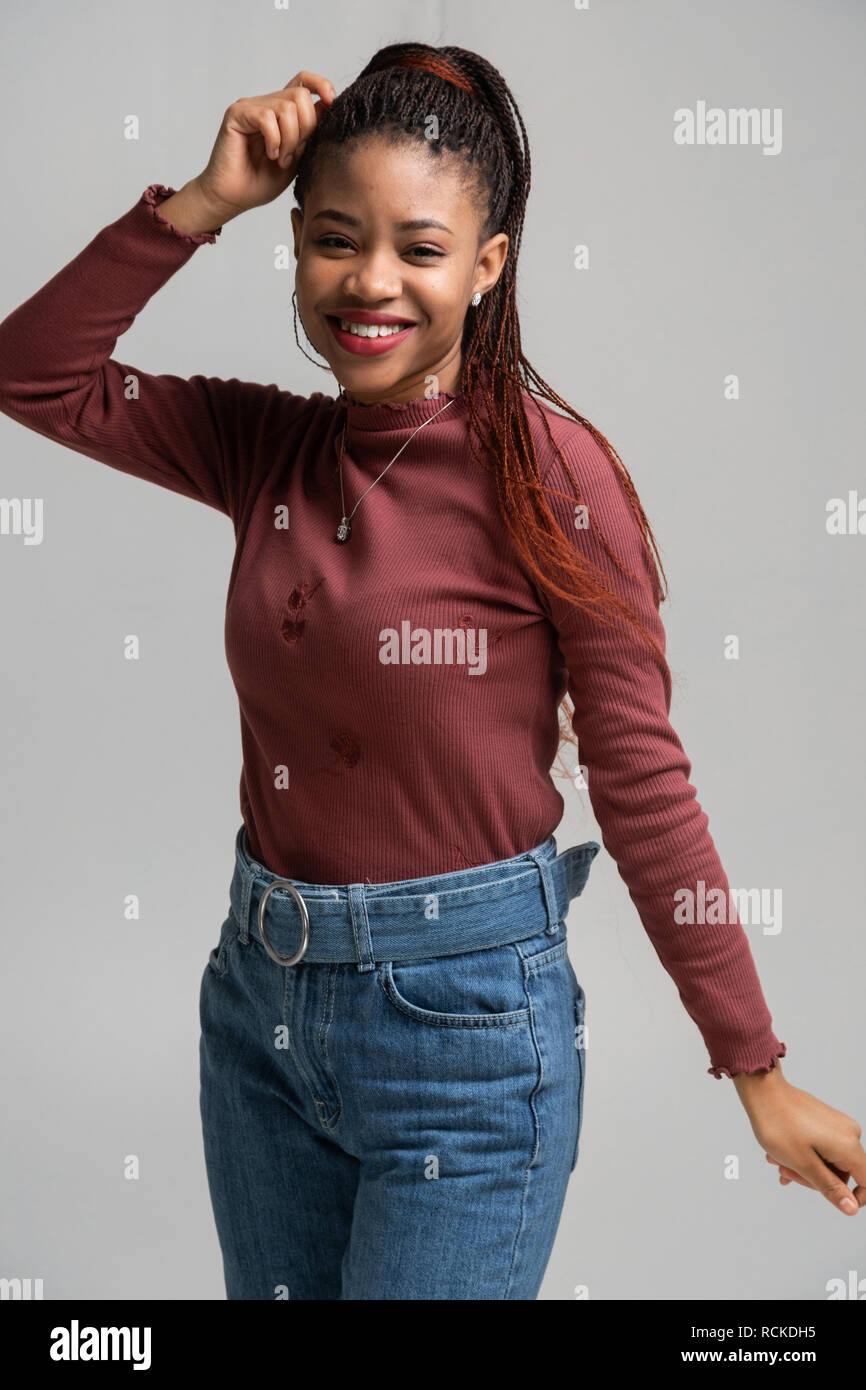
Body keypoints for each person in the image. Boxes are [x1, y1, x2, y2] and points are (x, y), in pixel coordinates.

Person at [0, 42, 862, 1302]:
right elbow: (31, 372)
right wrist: (201, 201)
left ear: (487, 264)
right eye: (333, 239)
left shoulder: (552, 478)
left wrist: (754, 1066)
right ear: (293, 243)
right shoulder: (264, 449)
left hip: (464, 1035)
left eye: (419, 247)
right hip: (259, 1014)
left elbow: (640, 780)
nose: (369, 282)